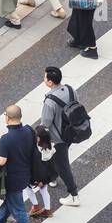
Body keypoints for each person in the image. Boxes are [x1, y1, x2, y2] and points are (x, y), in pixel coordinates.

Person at [0, 105, 39, 223]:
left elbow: (1, 161)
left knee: (19, 210)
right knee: (11, 200)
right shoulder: (29, 131)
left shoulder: (6, 139)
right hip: (26, 174)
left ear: (7, 117)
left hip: (12, 179)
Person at [40, 66, 81, 206]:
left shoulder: (49, 101)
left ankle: (74, 195)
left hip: (57, 138)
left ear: (50, 82)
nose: (43, 79)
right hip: (71, 132)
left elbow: (45, 123)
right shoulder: (70, 90)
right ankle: (52, 177)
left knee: (62, 165)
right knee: (55, 158)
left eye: (45, 77)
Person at [28, 125, 58, 218]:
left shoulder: (38, 151)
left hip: (37, 176)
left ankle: (35, 206)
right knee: (44, 191)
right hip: (48, 175)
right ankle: (48, 210)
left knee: (27, 187)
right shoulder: (51, 147)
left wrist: (39, 180)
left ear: (38, 138)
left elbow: (38, 168)